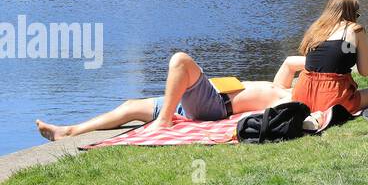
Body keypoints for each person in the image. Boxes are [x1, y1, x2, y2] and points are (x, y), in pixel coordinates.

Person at [34, 51, 300, 141]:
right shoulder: (282, 85)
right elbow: (290, 62)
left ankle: (164, 121)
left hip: (215, 106)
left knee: (180, 61)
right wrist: (317, 63)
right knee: (130, 106)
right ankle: (68, 132)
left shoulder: (286, 100)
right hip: (204, 99)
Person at [289, 0, 368, 113]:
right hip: (334, 97)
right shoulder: (355, 29)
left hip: (302, 94)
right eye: (357, 14)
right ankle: (327, 111)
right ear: (351, 13)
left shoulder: (316, 29)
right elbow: (365, 71)